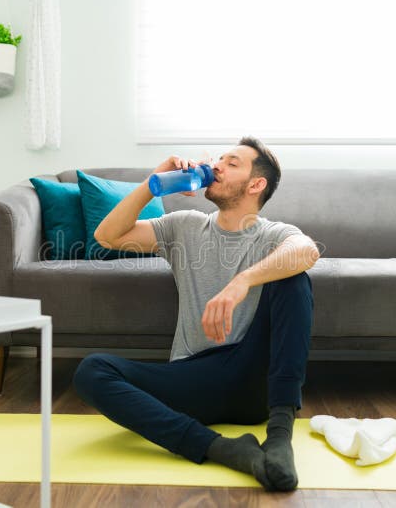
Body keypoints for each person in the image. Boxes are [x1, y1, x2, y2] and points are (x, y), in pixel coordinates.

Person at [72, 136, 318, 491]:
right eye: (219, 159)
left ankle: (280, 436)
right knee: (92, 371)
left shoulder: (274, 234)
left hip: (256, 380)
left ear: (256, 185)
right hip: (195, 380)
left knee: (294, 278)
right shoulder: (184, 226)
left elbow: (307, 251)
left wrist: (242, 282)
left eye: (232, 163)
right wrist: (153, 182)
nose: (217, 165)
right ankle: (223, 450)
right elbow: (107, 236)